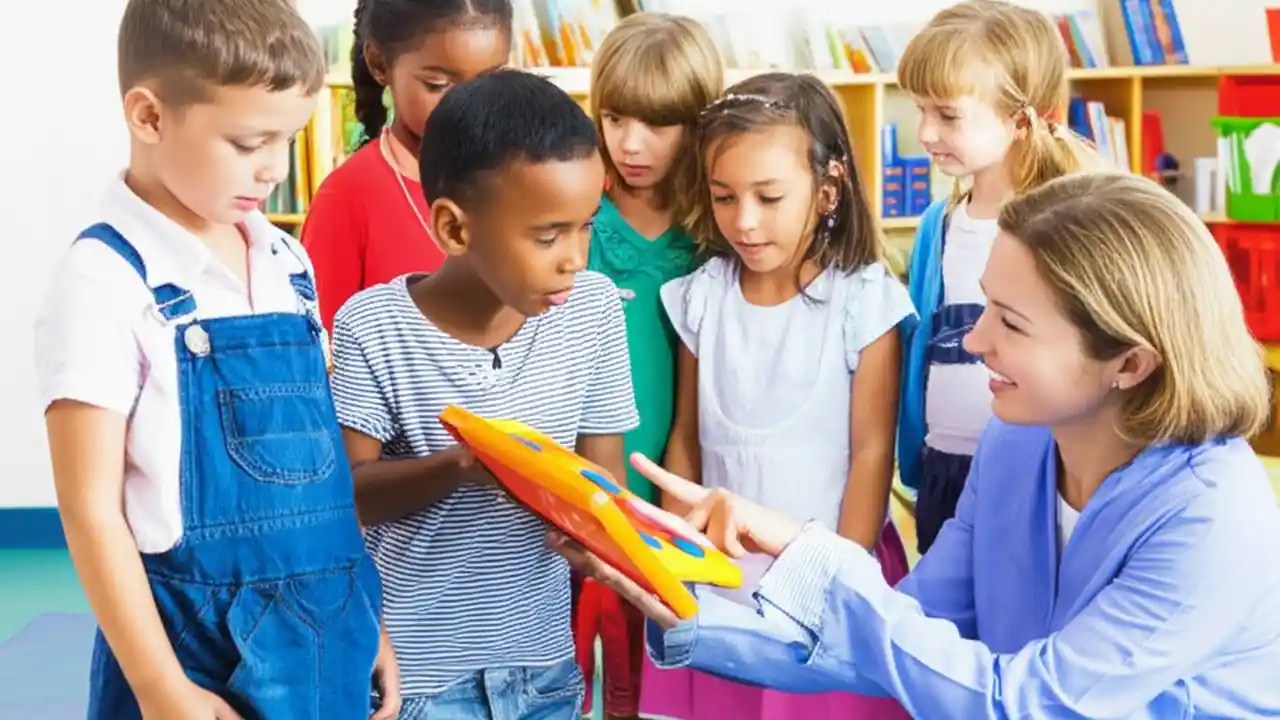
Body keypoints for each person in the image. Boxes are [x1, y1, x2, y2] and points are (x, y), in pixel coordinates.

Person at [557, 172, 1280, 719]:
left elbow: (1028, 703)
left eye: (1012, 324)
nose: (973, 340)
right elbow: (903, 636)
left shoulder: (1212, 517)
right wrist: (678, 602)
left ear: (1130, 362)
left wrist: (805, 551)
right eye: (986, 304)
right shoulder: (1017, 445)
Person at [34, 1, 396, 718]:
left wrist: (364, 618)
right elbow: (89, 509)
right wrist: (160, 687)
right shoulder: (104, 281)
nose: (273, 169)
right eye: (247, 142)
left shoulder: (287, 260)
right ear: (149, 116)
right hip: (192, 658)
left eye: (286, 140)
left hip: (329, 627)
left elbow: (320, 469)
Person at [329, 69, 638, 719]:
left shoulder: (596, 311)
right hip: (418, 682)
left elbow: (605, 482)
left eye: (586, 226)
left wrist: (615, 531)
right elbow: (346, 495)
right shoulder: (373, 325)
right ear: (454, 229)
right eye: (549, 235)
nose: (575, 258)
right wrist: (467, 464)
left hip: (545, 671)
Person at [645, 72, 915, 720]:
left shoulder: (863, 301)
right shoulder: (702, 296)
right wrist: (670, 555)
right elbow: (685, 435)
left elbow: (873, 452)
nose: (744, 220)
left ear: (827, 191)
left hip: (828, 575)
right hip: (721, 579)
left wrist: (838, 579)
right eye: (724, 197)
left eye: (769, 197)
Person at [896, 0, 1103, 553]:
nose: (925, 132)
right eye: (920, 110)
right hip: (945, 467)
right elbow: (922, 344)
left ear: (1020, 118)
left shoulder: (1067, 221)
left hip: (1039, 471)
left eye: (948, 114)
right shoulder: (937, 225)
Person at [574, 13, 722, 720]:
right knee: (577, 683)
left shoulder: (720, 233)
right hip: (573, 501)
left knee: (656, 688)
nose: (631, 144)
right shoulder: (575, 221)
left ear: (698, 124)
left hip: (680, 504)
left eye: (658, 124)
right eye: (614, 118)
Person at [301, 0, 513, 330]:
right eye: (438, 85)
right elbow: (323, 353)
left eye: (493, 80)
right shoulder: (347, 198)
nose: (472, 104)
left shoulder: (525, 177)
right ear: (378, 63)